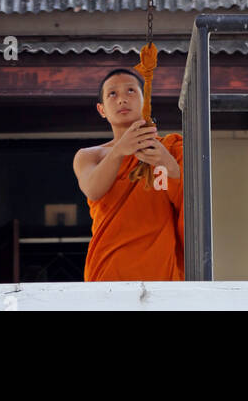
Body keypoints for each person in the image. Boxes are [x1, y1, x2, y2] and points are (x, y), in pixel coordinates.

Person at [73, 66, 184, 281]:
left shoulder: (169, 149)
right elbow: (94, 190)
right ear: (102, 109)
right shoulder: (90, 156)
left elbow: (190, 202)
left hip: (160, 270)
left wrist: (165, 164)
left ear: (145, 102)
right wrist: (119, 151)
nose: (122, 99)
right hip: (109, 268)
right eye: (112, 93)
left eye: (131, 91)